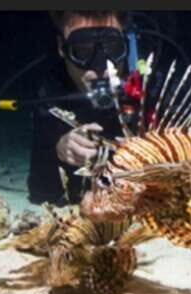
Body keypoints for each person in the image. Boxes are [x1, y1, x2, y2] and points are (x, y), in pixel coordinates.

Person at [25, 11, 164, 206]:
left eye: (112, 48)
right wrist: (57, 151)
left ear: (128, 44)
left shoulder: (154, 86)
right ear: (61, 47)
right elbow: (41, 194)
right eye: (82, 51)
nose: (100, 68)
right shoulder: (53, 95)